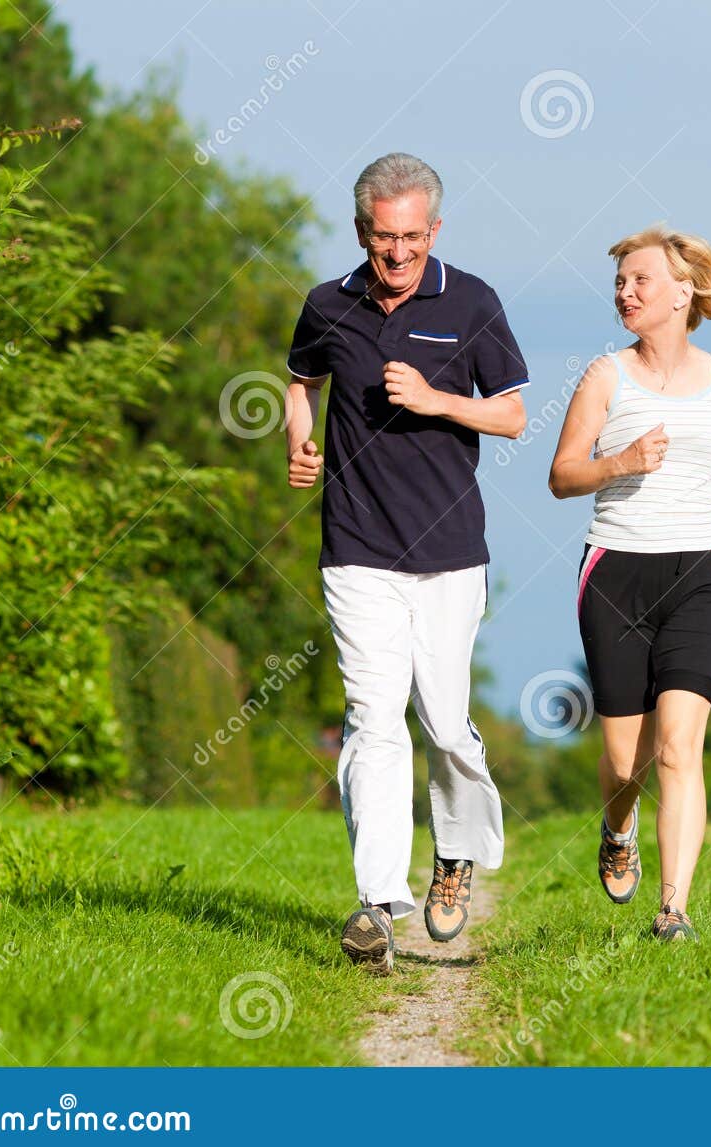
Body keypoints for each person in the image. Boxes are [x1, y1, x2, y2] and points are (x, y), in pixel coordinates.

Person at [283, 153, 529, 974]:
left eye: (412, 239)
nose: (397, 256)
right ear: (361, 231)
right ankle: (377, 904)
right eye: (384, 239)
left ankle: (454, 855)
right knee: (373, 715)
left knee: (445, 723)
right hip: (356, 549)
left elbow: (515, 416)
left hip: (451, 553)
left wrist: (436, 400)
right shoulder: (327, 304)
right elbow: (297, 381)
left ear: (435, 230)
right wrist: (300, 439)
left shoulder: (472, 302)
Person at [548, 225, 711, 941]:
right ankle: (619, 826)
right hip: (616, 568)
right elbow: (562, 475)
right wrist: (622, 462)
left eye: (639, 279)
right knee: (625, 760)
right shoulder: (605, 376)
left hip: (702, 570)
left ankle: (673, 910)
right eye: (619, 282)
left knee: (679, 744)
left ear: (684, 291)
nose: (625, 292)